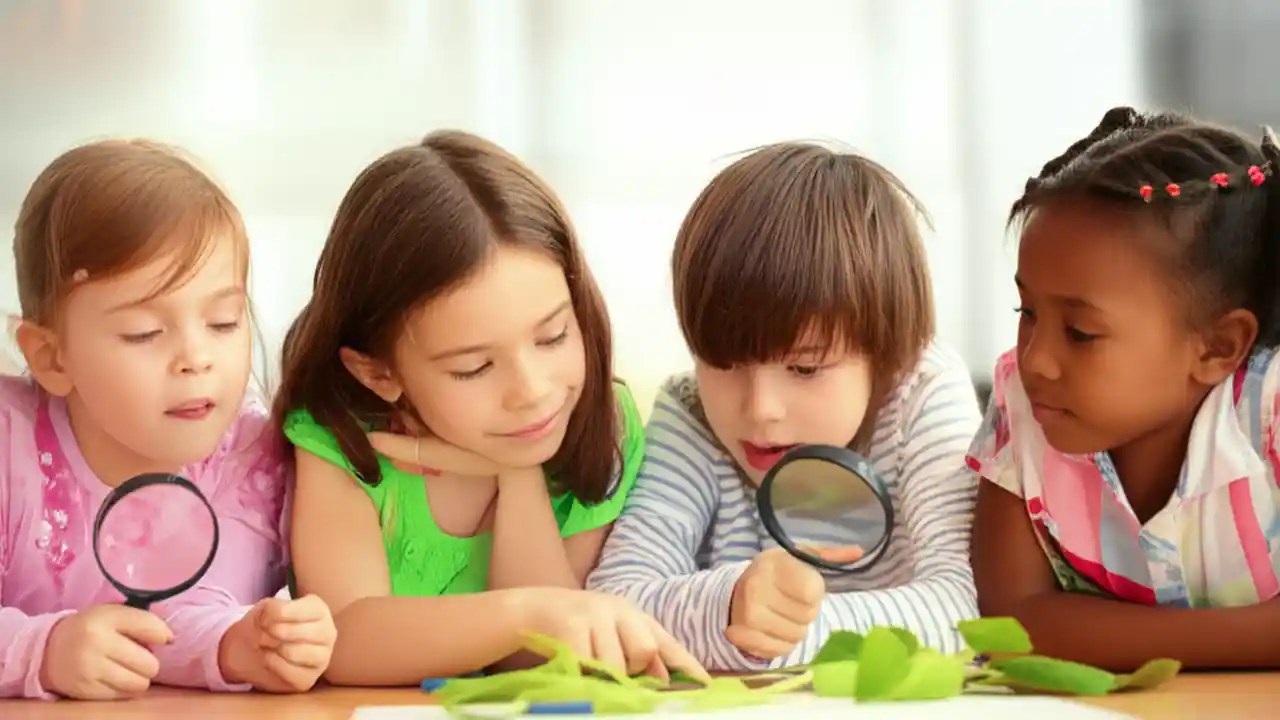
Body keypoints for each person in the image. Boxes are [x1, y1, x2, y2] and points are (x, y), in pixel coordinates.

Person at [276, 130, 707, 686]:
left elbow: (536, 658)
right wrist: (528, 612)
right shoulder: (339, 438)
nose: (530, 390)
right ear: (379, 373)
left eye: (552, 336)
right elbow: (346, 641)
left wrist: (518, 474)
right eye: (474, 368)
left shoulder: (603, 423)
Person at [587, 142, 983, 670]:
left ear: (887, 353)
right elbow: (612, 605)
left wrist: (778, 635)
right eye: (724, 363)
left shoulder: (923, 394)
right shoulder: (691, 413)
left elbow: (968, 611)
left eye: (804, 369)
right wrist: (728, 605)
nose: (760, 410)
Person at [1, 139, 335, 700]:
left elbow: (187, 615)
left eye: (224, 323)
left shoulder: (258, 464)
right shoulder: (9, 448)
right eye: (144, 334)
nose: (195, 358)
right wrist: (44, 650)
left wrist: (246, 644)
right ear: (52, 357)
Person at [969, 106, 1280, 670]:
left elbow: (1035, 626)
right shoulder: (1024, 402)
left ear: (1217, 347)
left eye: (1081, 332)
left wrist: (1092, 634)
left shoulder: (1270, 412)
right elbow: (1008, 624)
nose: (1037, 359)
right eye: (1027, 310)